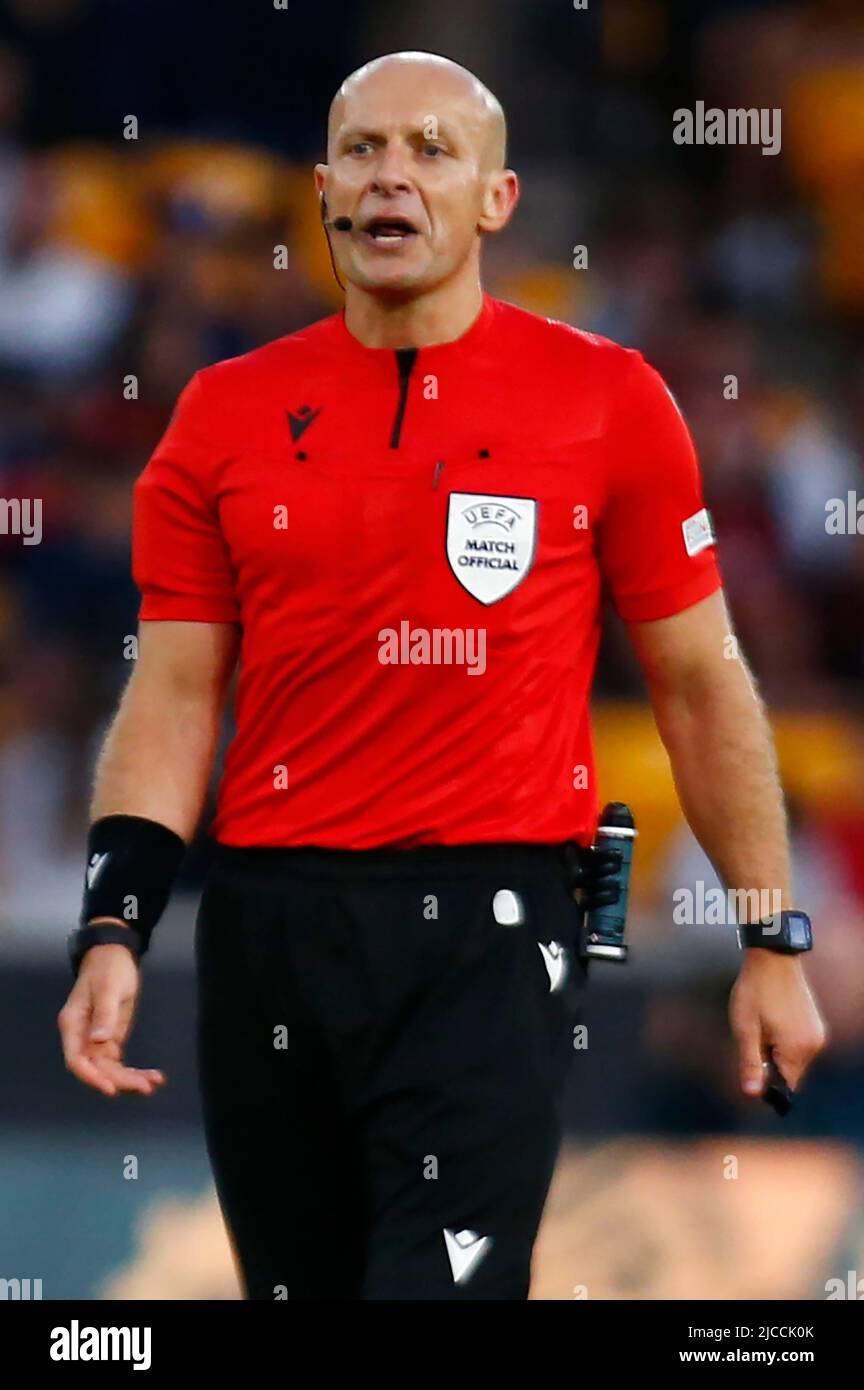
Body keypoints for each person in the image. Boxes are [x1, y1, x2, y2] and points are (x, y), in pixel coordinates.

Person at [58, 51, 827, 1301]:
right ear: (321, 190)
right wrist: (114, 923)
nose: (391, 176)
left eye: (430, 150)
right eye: (362, 150)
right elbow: (176, 691)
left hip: (494, 927)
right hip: (270, 929)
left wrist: (769, 936)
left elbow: (699, 678)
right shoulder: (223, 412)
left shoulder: (609, 400)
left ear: (497, 200)